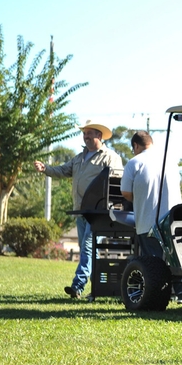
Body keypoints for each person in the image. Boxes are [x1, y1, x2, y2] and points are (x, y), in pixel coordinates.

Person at [35, 120, 123, 300]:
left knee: (88, 249)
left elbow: (117, 181)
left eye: (89, 133)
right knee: (89, 250)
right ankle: (98, 289)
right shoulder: (79, 157)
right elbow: (63, 170)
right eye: (84, 133)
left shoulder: (109, 157)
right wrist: (46, 169)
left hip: (98, 213)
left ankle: (77, 286)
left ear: (99, 135)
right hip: (80, 212)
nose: (86, 136)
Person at [120, 131, 182, 304]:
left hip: (148, 220)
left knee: (153, 262)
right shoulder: (169, 160)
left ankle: (158, 295)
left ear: (136, 146)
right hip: (175, 218)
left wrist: (135, 198)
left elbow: (126, 192)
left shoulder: (134, 162)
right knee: (177, 256)